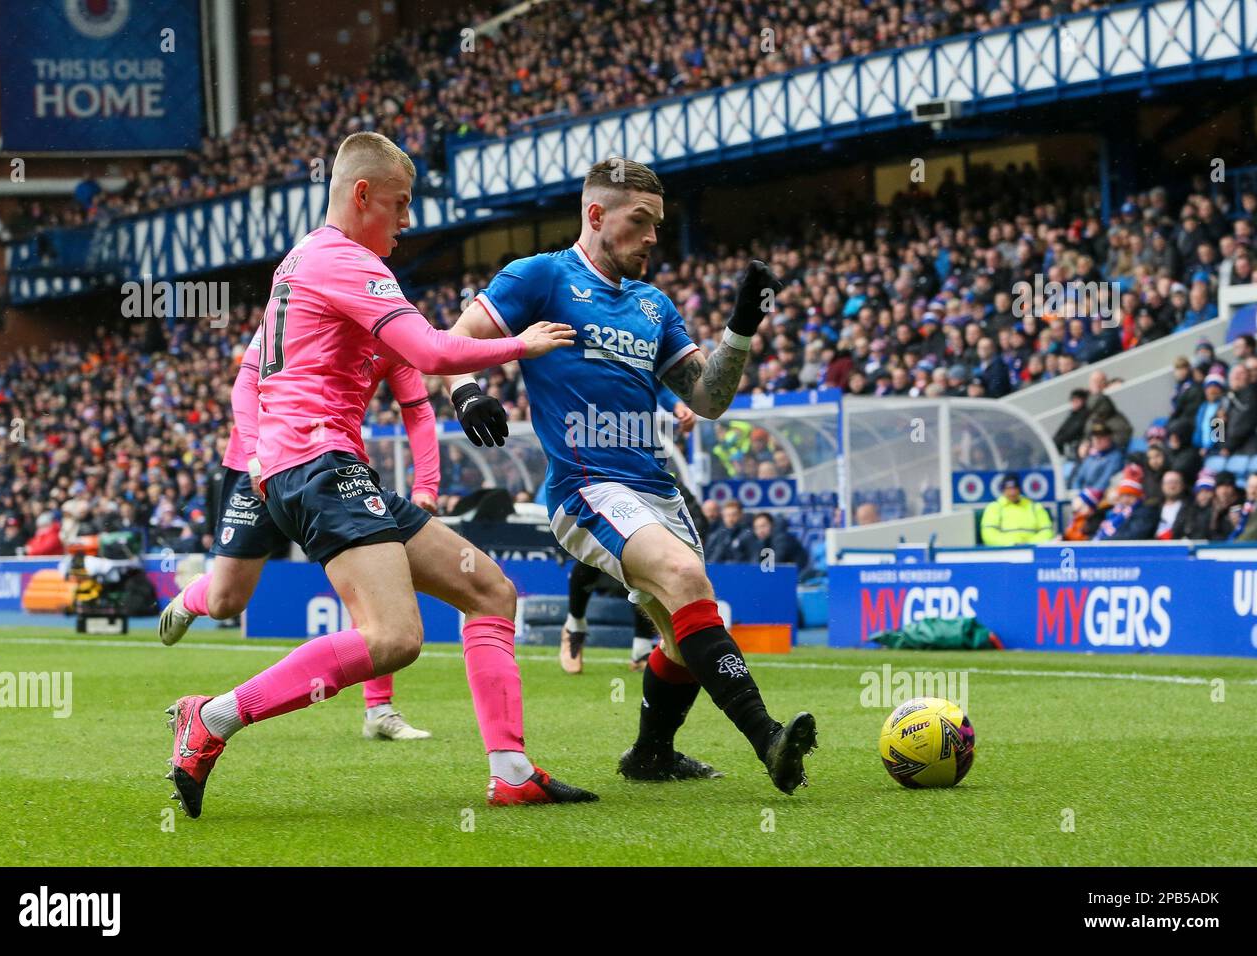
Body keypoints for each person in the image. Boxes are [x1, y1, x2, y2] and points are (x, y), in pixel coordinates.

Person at [164, 132, 592, 819]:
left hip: (322, 464)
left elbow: (388, 369)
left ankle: (511, 771)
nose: (407, 219)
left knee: (489, 590)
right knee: (394, 639)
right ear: (362, 196)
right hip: (317, 465)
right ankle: (210, 719)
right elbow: (428, 347)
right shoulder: (344, 259)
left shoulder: (303, 260)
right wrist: (523, 342)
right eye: (400, 204)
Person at [442, 157, 816, 793]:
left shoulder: (654, 304)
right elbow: (456, 343)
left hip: (655, 488)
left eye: (657, 224)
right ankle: (769, 739)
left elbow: (705, 397)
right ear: (596, 215)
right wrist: (468, 393)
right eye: (640, 222)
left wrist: (742, 330)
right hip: (586, 487)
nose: (652, 237)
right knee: (686, 577)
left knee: (681, 630)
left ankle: (650, 755)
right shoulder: (540, 276)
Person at [158, 339, 438, 742]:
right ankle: (194, 597)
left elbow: (417, 409)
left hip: (330, 464)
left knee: (372, 587)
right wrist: (255, 453)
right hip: (257, 462)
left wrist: (426, 483)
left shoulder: (388, 326)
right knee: (227, 601)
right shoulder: (301, 306)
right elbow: (245, 384)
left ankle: (379, 709)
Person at [979, 473, 1054, 545]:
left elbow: (1047, 531)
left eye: (1015, 488)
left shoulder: (1035, 507)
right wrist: (1012, 544)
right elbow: (989, 534)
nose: (1012, 492)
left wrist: (1031, 543)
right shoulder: (994, 507)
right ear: (1003, 490)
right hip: (1005, 552)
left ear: (1019, 489)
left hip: (1033, 550)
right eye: (1008, 489)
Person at [739, 511, 809, 572]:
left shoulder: (782, 538)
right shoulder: (762, 541)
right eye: (757, 528)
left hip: (798, 578)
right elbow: (755, 563)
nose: (760, 531)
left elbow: (775, 563)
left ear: (772, 525)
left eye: (763, 526)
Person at [1093, 476, 1159, 540]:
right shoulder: (1115, 513)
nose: (1125, 500)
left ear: (1138, 497)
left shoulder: (1145, 513)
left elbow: (1132, 535)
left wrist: (1104, 541)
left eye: (1129, 495)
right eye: (1122, 496)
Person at [1071, 423, 1124, 491]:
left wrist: (1085, 496)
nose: (1097, 440)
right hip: (1083, 495)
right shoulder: (1091, 456)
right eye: (1095, 437)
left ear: (1109, 438)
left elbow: (1104, 483)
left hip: (1099, 497)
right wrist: (1076, 491)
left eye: (1101, 437)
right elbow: (1078, 478)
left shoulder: (1115, 457)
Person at [705, 498, 751, 563]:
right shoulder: (716, 535)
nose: (730, 518)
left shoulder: (748, 535)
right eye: (727, 515)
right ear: (723, 516)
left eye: (734, 515)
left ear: (741, 515)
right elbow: (708, 559)